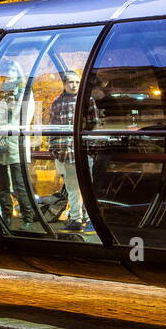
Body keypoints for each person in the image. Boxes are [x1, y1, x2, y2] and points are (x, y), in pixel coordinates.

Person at [0, 61, 38, 230]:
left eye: (12, 69)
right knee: (1, 183)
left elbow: (23, 117)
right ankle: (6, 218)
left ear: (19, 71)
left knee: (19, 183)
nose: (9, 72)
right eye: (6, 70)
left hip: (14, 141)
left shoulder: (24, 91)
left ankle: (28, 218)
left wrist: (0, 132)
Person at [49, 70, 100, 231]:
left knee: (86, 187)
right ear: (64, 84)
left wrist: (91, 147)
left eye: (77, 82)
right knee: (73, 187)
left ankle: (89, 219)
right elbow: (53, 127)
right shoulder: (57, 102)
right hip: (65, 152)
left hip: (82, 151)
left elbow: (95, 124)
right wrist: (54, 150)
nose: (74, 85)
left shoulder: (87, 100)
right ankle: (77, 218)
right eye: (71, 82)